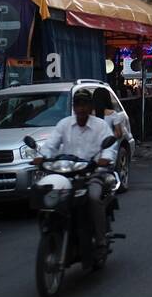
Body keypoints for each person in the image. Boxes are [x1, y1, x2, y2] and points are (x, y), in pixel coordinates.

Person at [31, 91, 118, 247]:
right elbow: (51, 145)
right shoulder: (64, 124)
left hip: (92, 174)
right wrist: (42, 157)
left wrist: (105, 158)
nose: (81, 108)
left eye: (85, 104)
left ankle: (100, 239)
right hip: (66, 174)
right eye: (78, 104)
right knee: (46, 194)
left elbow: (109, 146)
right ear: (74, 107)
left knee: (93, 197)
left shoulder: (101, 125)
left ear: (91, 107)